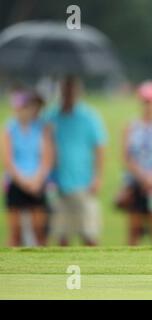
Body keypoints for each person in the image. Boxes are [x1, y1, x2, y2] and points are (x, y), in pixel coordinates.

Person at [45, 76, 106, 246]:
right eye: (65, 91)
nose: (68, 95)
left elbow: (99, 148)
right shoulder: (50, 117)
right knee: (62, 234)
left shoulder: (89, 117)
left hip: (83, 181)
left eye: (72, 91)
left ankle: (94, 270)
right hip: (57, 181)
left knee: (89, 233)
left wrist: (98, 177)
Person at [118, 81, 152, 245]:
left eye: (151, 101)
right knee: (134, 228)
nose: (148, 105)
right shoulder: (131, 126)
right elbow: (126, 156)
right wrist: (142, 176)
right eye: (145, 101)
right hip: (135, 183)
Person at [1, 90, 52, 246]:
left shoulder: (41, 128)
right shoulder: (9, 129)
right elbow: (8, 160)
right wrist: (23, 182)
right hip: (16, 182)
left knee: (39, 230)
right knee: (15, 232)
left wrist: (37, 180)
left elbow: (46, 159)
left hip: (37, 181)